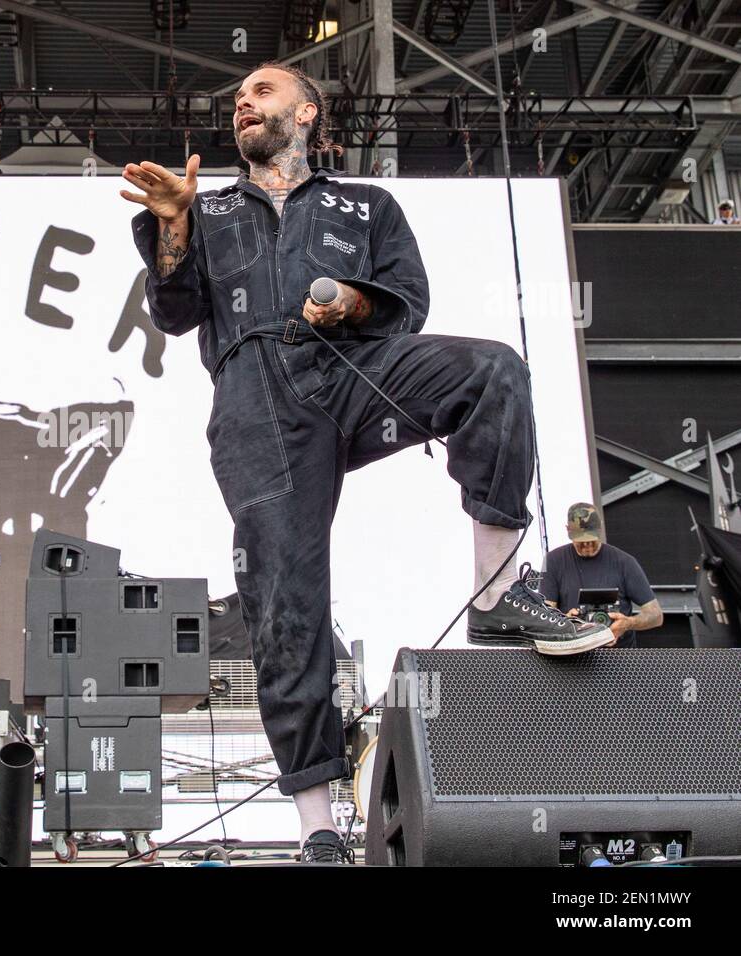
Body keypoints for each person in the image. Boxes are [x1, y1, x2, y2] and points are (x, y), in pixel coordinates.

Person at [121, 61, 613, 863]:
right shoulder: (200, 208)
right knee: (286, 602)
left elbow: (407, 302)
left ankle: (494, 593)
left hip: (348, 368)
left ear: (308, 112)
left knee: (491, 372)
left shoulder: (367, 205)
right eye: (237, 97)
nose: (244, 102)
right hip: (257, 396)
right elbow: (175, 316)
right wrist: (175, 228)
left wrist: (348, 303)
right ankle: (318, 829)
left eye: (264, 91)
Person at [541, 503, 663, 647]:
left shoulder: (625, 562)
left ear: (601, 528)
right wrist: (564, 622)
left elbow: (656, 616)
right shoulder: (552, 561)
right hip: (572, 657)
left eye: (592, 539)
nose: (587, 545)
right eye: (581, 541)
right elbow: (544, 616)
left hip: (620, 659)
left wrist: (627, 623)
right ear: (568, 531)